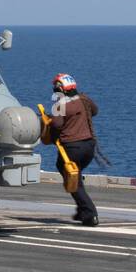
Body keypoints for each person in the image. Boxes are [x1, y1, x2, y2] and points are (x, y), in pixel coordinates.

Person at [48, 73, 99, 226]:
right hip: (89, 147)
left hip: (72, 148)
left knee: (70, 178)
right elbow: (95, 111)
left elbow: (56, 125)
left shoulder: (59, 105)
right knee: (75, 175)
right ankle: (81, 211)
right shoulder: (84, 100)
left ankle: (90, 214)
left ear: (60, 88)